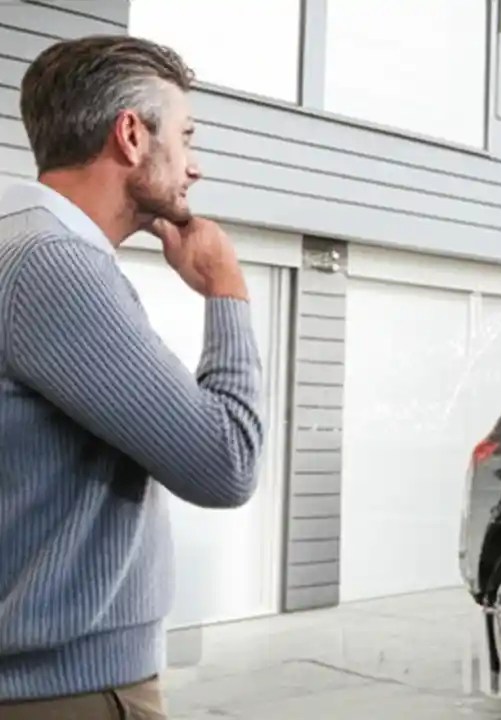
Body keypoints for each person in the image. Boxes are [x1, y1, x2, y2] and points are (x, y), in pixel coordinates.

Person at [0, 35, 264, 719]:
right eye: (184, 135)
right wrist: (225, 288)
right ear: (131, 135)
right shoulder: (54, 266)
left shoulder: (16, 238)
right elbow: (225, 462)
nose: (195, 166)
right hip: (70, 692)